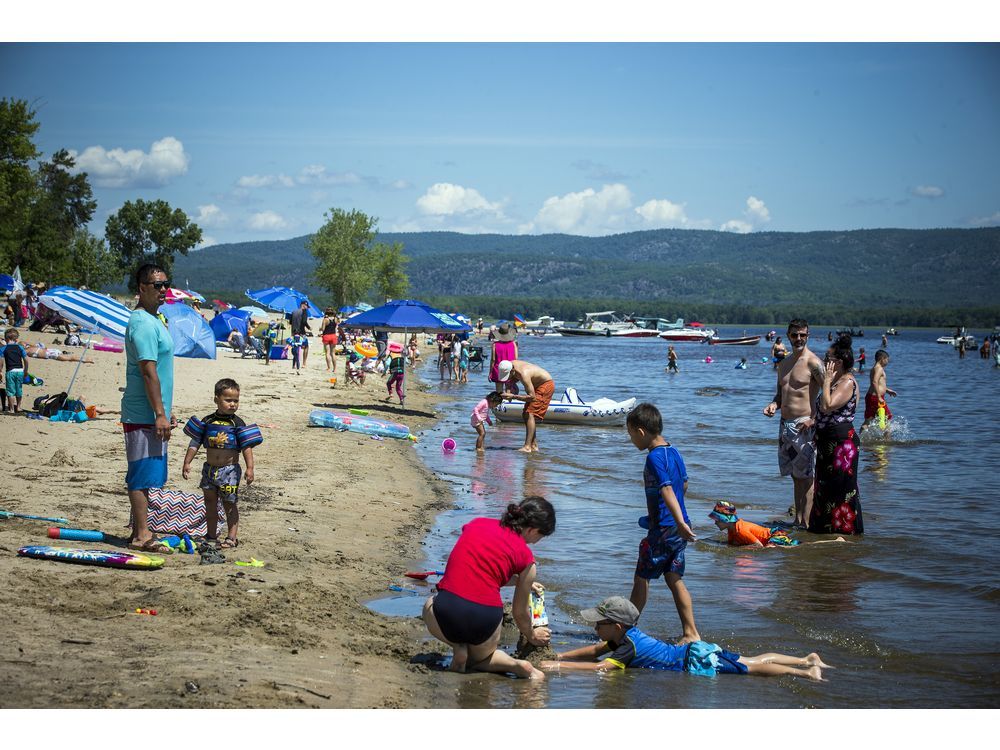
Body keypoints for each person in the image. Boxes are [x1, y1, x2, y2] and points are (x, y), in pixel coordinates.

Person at [422, 496, 555, 680]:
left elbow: (482, 568)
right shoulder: (527, 560)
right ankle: (517, 665)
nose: (536, 542)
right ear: (532, 530)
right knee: (480, 659)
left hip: (448, 608)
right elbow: (520, 612)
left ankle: (457, 647)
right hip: (486, 619)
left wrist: (517, 581)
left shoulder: (476, 524)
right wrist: (531, 635)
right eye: (540, 537)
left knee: (429, 604)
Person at [539, 596, 828, 680]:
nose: (595, 628)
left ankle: (803, 673)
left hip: (696, 661)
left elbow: (601, 667)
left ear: (616, 626)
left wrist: (559, 668)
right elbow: (593, 651)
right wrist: (561, 655)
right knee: (753, 659)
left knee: (752, 668)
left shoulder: (627, 647)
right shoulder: (623, 637)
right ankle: (806, 658)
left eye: (599, 624)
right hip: (697, 651)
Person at [625, 403, 700, 644]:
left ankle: (626, 628)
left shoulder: (654, 458)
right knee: (673, 577)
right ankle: (691, 633)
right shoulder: (674, 452)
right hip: (677, 527)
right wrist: (680, 520)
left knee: (641, 576)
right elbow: (684, 485)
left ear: (641, 432)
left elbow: (667, 488)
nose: (631, 440)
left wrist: (674, 520)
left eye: (630, 435)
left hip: (666, 529)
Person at [121, 264, 176, 553]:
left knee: (150, 473)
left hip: (153, 411)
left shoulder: (156, 320)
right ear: (141, 288)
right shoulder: (142, 322)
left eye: (166, 284)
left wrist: (165, 410)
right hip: (142, 412)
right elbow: (147, 371)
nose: (163, 289)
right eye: (157, 285)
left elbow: (160, 372)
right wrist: (158, 413)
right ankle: (142, 535)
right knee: (141, 473)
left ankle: (141, 530)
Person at [182, 378, 263, 548]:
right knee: (210, 504)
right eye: (228, 400)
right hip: (209, 470)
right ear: (216, 399)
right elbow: (195, 442)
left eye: (236, 400)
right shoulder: (207, 421)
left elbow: (247, 447)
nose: (233, 404)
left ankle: (231, 538)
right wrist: (187, 462)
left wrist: (250, 468)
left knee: (230, 504)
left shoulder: (238, 423)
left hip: (230, 471)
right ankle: (211, 536)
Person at [762, 319, 824, 529]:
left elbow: (830, 395)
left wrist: (814, 419)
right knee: (795, 476)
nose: (799, 338)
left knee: (807, 477)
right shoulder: (784, 363)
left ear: (808, 336)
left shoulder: (814, 363)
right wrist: (773, 404)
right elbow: (781, 394)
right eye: (795, 335)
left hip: (804, 426)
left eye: (803, 335)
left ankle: (806, 523)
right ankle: (797, 520)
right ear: (788, 335)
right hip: (785, 425)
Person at [811, 336, 864, 535]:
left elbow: (827, 405)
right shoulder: (836, 381)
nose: (825, 361)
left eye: (828, 357)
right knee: (825, 487)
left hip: (842, 444)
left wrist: (825, 380)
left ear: (839, 362)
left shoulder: (847, 382)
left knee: (841, 489)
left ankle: (842, 533)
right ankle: (823, 530)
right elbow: (823, 411)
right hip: (827, 441)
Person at [496, 359, 555, 453]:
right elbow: (509, 381)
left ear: (512, 371)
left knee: (529, 413)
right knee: (526, 414)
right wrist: (508, 392)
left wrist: (514, 396)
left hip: (545, 385)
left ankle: (527, 447)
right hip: (535, 385)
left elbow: (532, 397)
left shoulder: (524, 374)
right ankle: (534, 445)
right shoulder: (509, 364)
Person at [708, 501, 804, 547]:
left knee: (769, 547)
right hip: (771, 535)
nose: (715, 522)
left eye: (717, 520)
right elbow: (732, 544)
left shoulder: (741, 530)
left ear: (726, 520)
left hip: (775, 536)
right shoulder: (732, 529)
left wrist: (740, 551)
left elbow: (758, 545)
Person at [862, 349, 896, 434]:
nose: (887, 361)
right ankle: (887, 444)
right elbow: (874, 382)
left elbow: (877, 384)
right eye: (887, 359)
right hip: (876, 398)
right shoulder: (879, 369)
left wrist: (887, 391)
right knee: (887, 419)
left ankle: (860, 440)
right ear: (882, 359)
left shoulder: (874, 368)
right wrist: (879, 396)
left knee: (868, 420)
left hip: (871, 396)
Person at [2, 328, 29, 413]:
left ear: (6, 339)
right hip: (20, 371)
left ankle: (11, 409)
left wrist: (0, 371)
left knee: (10, 391)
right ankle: (19, 407)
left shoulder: (3, 348)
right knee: (19, 390)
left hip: (10, 371)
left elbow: (1, 362)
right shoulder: (20, 348)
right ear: (16, 339)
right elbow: (26, 360)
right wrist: (26, 370)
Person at [488, 323, 518, 393]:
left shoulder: (495, 345)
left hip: (497, 369)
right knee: (509, 390)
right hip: (510, 369)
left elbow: (493, 360)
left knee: (499, 392)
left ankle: (500, 403)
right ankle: (508, 402)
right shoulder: (513, 344)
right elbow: (516, 359)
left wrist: (490, 373)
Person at [383, 341, 406, 407]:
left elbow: (387, 364)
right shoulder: (402, 355)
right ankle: (401, 399)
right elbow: (406, 362)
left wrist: (384, 372)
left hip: (395, 373)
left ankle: (391, 394)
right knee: (398, 387)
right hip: (401, 373)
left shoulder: (391, 355)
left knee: (389, 383)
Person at [289, 301, 312, 367]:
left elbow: (290, 322)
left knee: (295, 347)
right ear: (304, 305)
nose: (307, 308)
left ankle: (294, 364)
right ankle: (304, 363)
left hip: (294, 332)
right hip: (301, 332)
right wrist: (309, 327)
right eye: (307, 307)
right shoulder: (304, 311)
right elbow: (304, 321)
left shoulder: (294, 311)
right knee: (306, 346)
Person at [320, 308, 339, 372]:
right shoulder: (336, 319)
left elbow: (323, 329)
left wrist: (320, 328)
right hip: (333, 335)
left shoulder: (325, 319)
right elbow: (336, 326)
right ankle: (335, 369)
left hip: (326, 336)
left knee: (327, 353)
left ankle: (329, 368)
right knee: (333, 353)